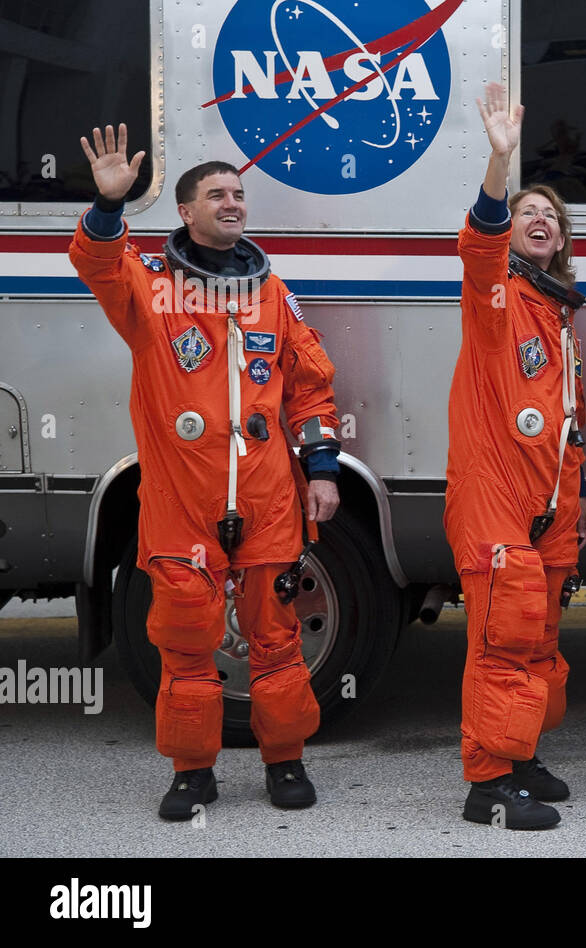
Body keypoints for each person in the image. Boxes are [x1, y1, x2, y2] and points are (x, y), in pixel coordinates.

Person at [69, 125, 342, 819]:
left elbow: (310, 385)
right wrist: (108, 208)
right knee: (186, 642)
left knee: (276, 638)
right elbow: (98, 264)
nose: (233, 202)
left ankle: (285, 763)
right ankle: (193, 771)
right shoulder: (150, 291)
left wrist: (322, 469)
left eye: (239, 194)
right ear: (186, 212)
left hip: (268, 499)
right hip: (180, 500)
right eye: (217, 194)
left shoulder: (271, 293)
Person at [447, 83, 586, 830]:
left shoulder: (560, 316)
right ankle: (488, 786)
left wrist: (578, 498)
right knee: (501, 639)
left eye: (552, 217)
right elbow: (477, 243)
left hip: (549, 505)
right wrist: (501, 162)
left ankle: (522, 754)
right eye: (529, 213)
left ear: (563, 240)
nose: (542, 221)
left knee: (537, 640)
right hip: (494, 498)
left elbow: (566, 428)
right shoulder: (496, 293)